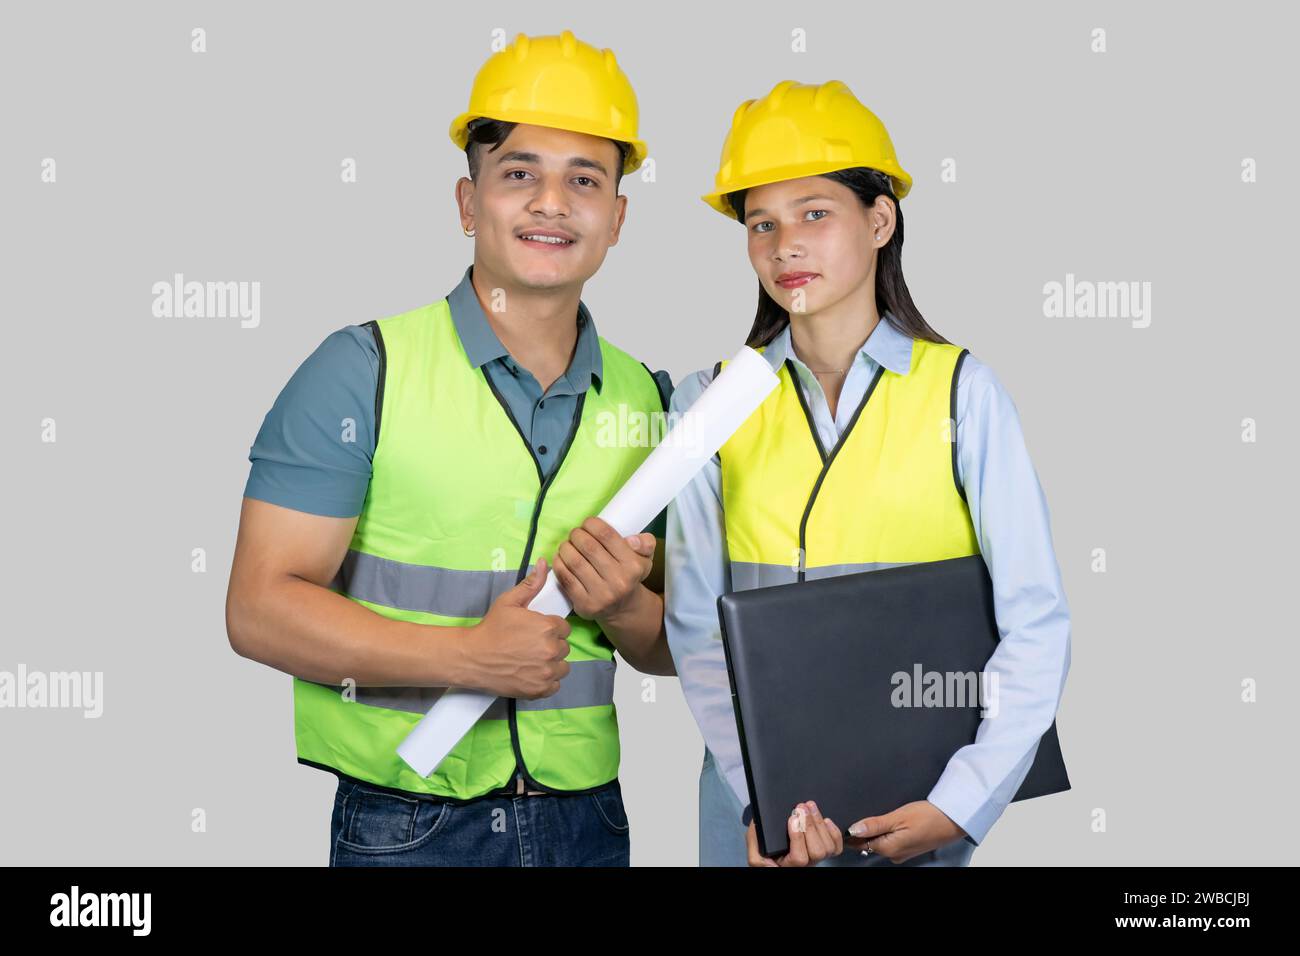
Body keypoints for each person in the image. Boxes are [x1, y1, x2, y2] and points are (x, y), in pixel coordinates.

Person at [226, 30, 674, 867]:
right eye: (519, 174)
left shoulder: (649, 400)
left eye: (585, 180)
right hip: (408, 825)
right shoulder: (363, 372)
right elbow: (256, 609)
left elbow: (662, 646)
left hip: (590, 823)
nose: (551, 202)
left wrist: (622, 607)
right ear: (468, 204)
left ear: (617, 218)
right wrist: (466, 657)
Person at [664, 80, 1072, 867]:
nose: (785, 245)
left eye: (815, 213)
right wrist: (762, 799)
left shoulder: (964, 393)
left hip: (915, 805)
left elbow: (1037, 620)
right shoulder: (709, 404)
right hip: (754, 820)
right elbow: (693, 625)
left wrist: (962, 803)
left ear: (879, 220)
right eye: (761, 224)